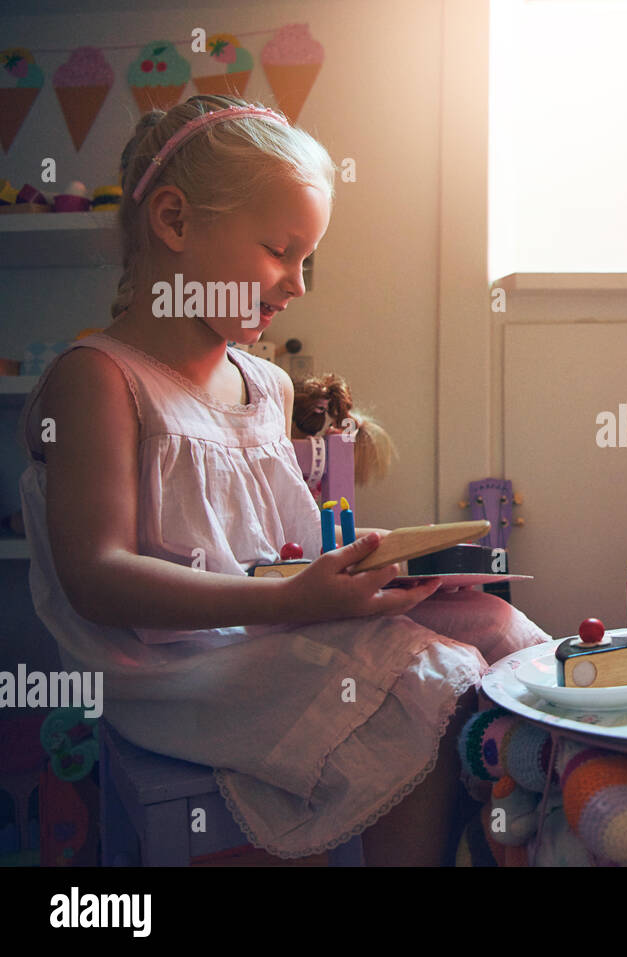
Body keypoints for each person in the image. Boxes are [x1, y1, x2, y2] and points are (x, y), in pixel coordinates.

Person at [18, 95, 549, 865]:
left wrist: (362, 576)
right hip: (169, 666)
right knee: (429, 677)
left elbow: (270, 551)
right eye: (278, 250)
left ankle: (559, 820)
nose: (297, 283)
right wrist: (291, 598)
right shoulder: (100, 381)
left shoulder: (263, 385)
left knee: (495, 630)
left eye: (309, 260)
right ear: (173, 222)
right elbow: (97, 580)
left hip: (268, 621)